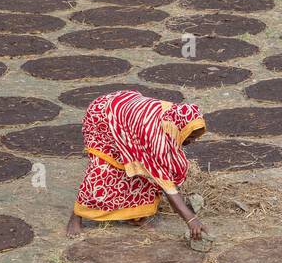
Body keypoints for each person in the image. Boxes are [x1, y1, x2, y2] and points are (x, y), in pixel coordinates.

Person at [66, 89, 210, 241]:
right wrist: (191, 219)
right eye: (191, 136)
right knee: (104, 171)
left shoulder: (174, 118)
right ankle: (76, 216)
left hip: (130, 116)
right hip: (104, 117)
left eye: (196, 138)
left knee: (140, 171)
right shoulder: (154, 134)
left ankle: (136, 215)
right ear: (179, 128)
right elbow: (163, 179)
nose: (192, 141)